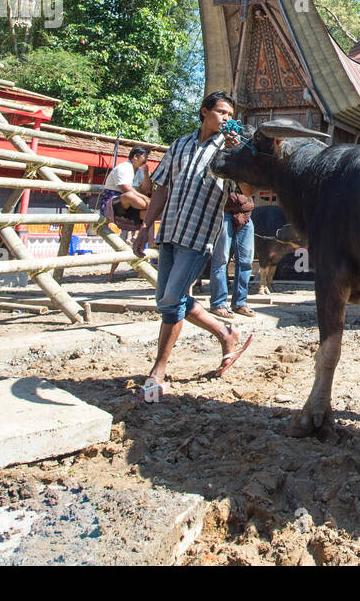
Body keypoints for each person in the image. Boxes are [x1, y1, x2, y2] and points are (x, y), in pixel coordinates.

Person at [133, 91, 252, 400]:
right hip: (171, 230)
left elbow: (250, 191)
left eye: (230, 114)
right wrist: (146, 226)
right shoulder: (180, 145)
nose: (226, 118)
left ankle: (158, 370)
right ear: (204, 112)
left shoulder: (228, 150)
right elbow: (161, 188)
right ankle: (226, 335)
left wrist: (238, 156)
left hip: (200, 235)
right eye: (221, 112)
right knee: (166, 300)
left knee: (171, 300)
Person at [210, 188, 256, 319]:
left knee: (246, 260)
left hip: (245, 212)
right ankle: (218, 303)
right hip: (223, 211)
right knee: (221, 259)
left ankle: (240, 302)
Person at [99, 146, 151, 226]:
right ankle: (152, 206)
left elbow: (145, 190)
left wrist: (146, 173)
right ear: (135, 157)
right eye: (145, 157)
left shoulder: (140, 172)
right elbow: (126, 190)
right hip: (110, 206)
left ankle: (146, 238)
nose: (146, 160)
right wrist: (145, 198)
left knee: (149, 215)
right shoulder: (123, 168)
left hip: (129, 208)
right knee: (129, 195)